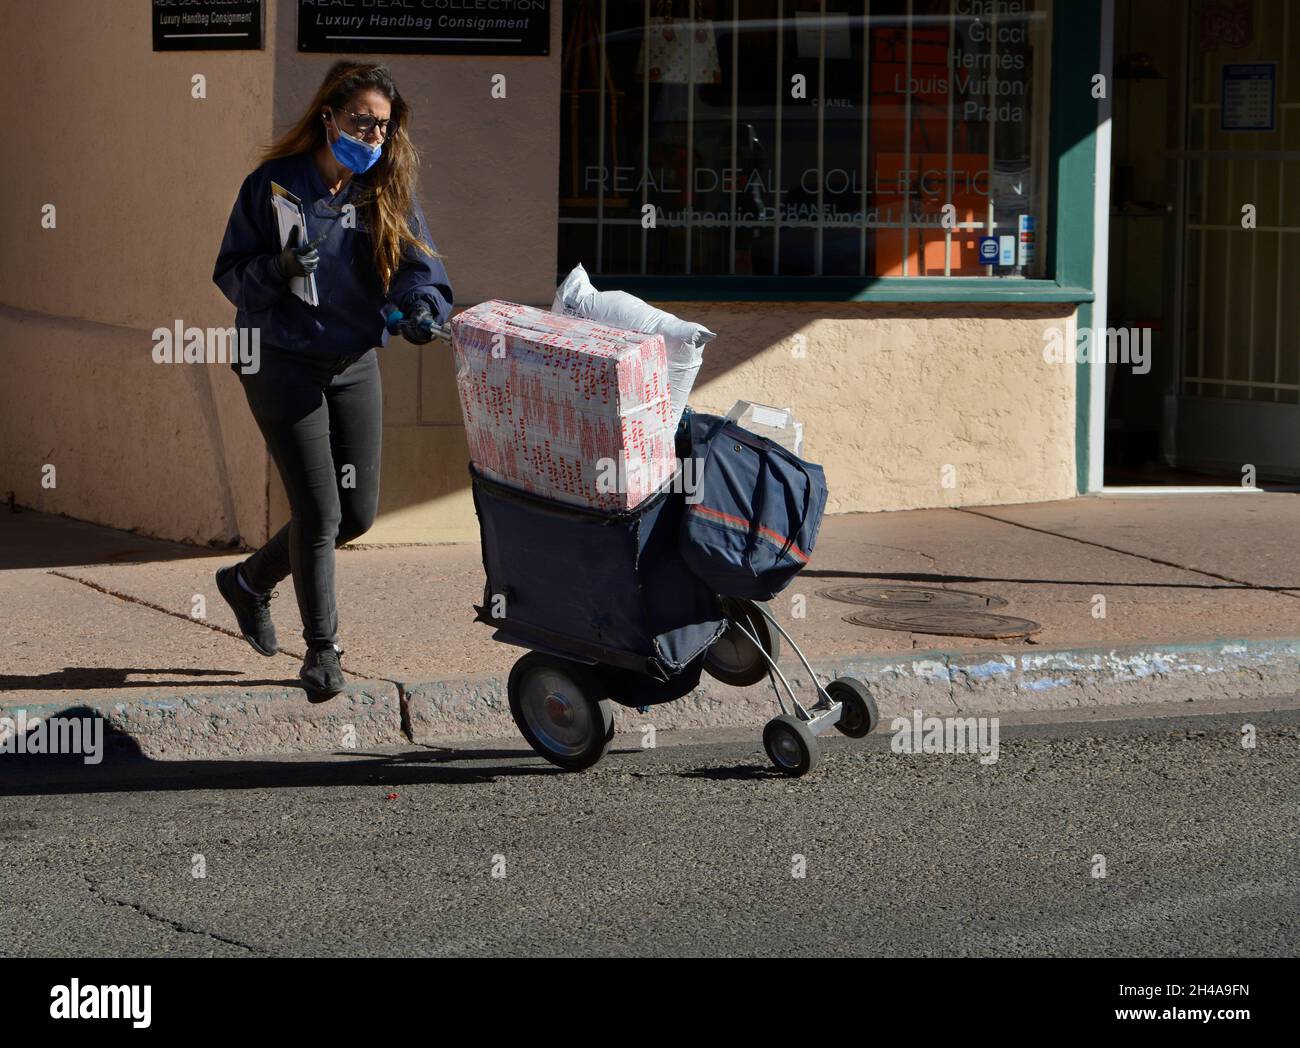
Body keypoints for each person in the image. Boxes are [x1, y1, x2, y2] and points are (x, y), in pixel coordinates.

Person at [212, 61, 452, 700]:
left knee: (356, 515)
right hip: (280, 360)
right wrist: (277, 268)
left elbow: (415, 267)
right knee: (318, 510)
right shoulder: (273, 187)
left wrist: (423, 309)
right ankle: (323, 651)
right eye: (360, 122)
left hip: (352, 363)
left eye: (382, 127)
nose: (371, 137)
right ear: (328, 116)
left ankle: (248, 581)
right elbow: (231, 273)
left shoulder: (386, 190)